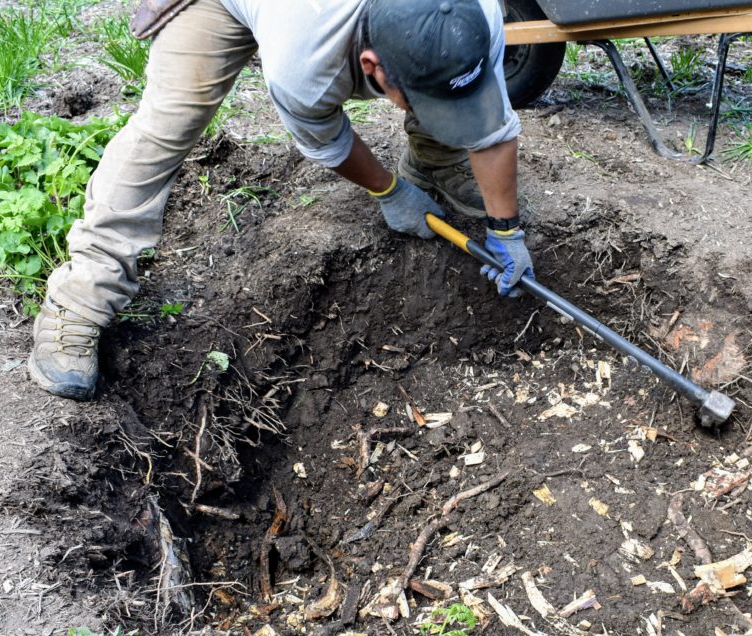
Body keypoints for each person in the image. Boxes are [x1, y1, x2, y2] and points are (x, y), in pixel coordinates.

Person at [28, 0, 536, 401]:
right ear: (371, 66)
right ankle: (81, 300)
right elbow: (329, 142)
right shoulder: (304, 63)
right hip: (229, 5)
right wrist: (389, 191)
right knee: (168, 124)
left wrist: (505, 229)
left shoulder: (473, 15)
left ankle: (433, 161)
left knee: (440, 83)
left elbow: (492, 125)